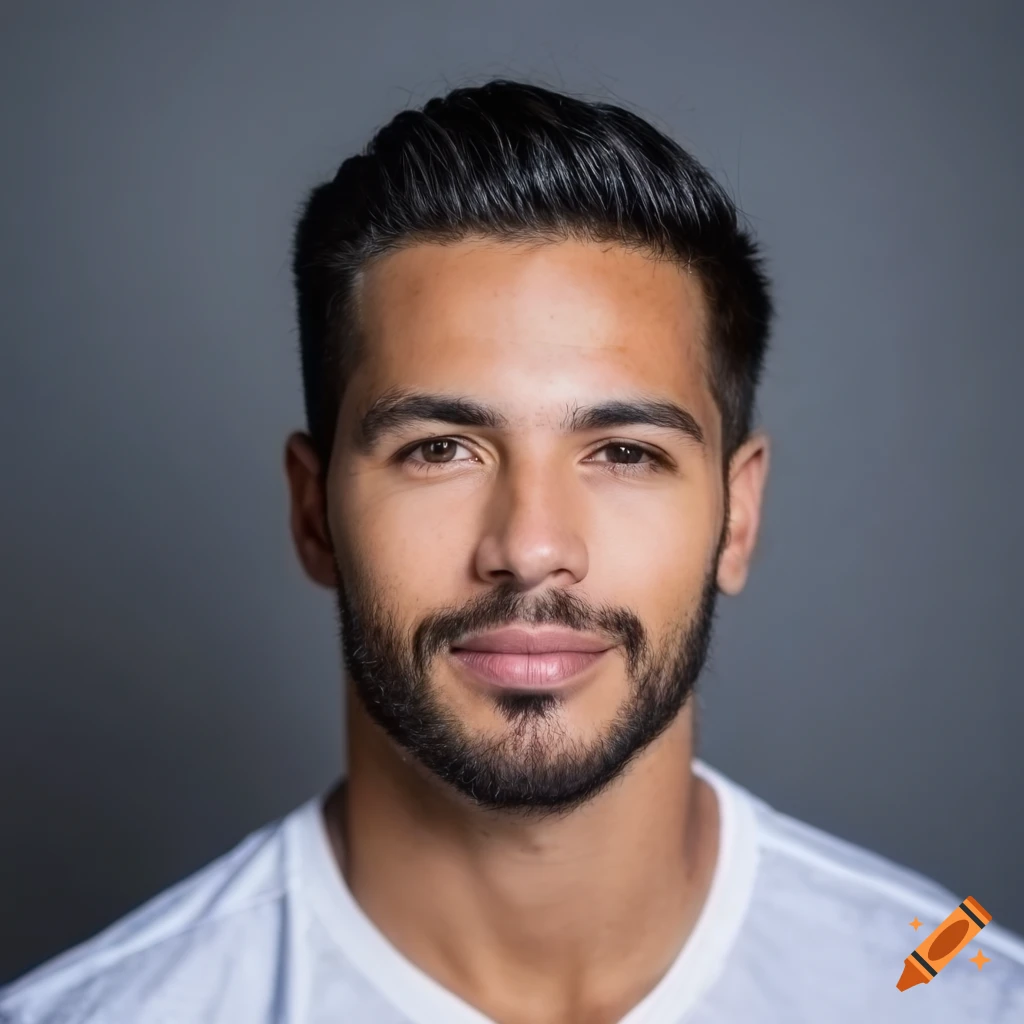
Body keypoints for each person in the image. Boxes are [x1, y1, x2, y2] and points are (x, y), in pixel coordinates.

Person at [2, 78, 1022, 1024]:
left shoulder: (956, 991)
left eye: (623, 451)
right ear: (314, 514)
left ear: (737, 514)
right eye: (439, 449)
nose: (531, 547)